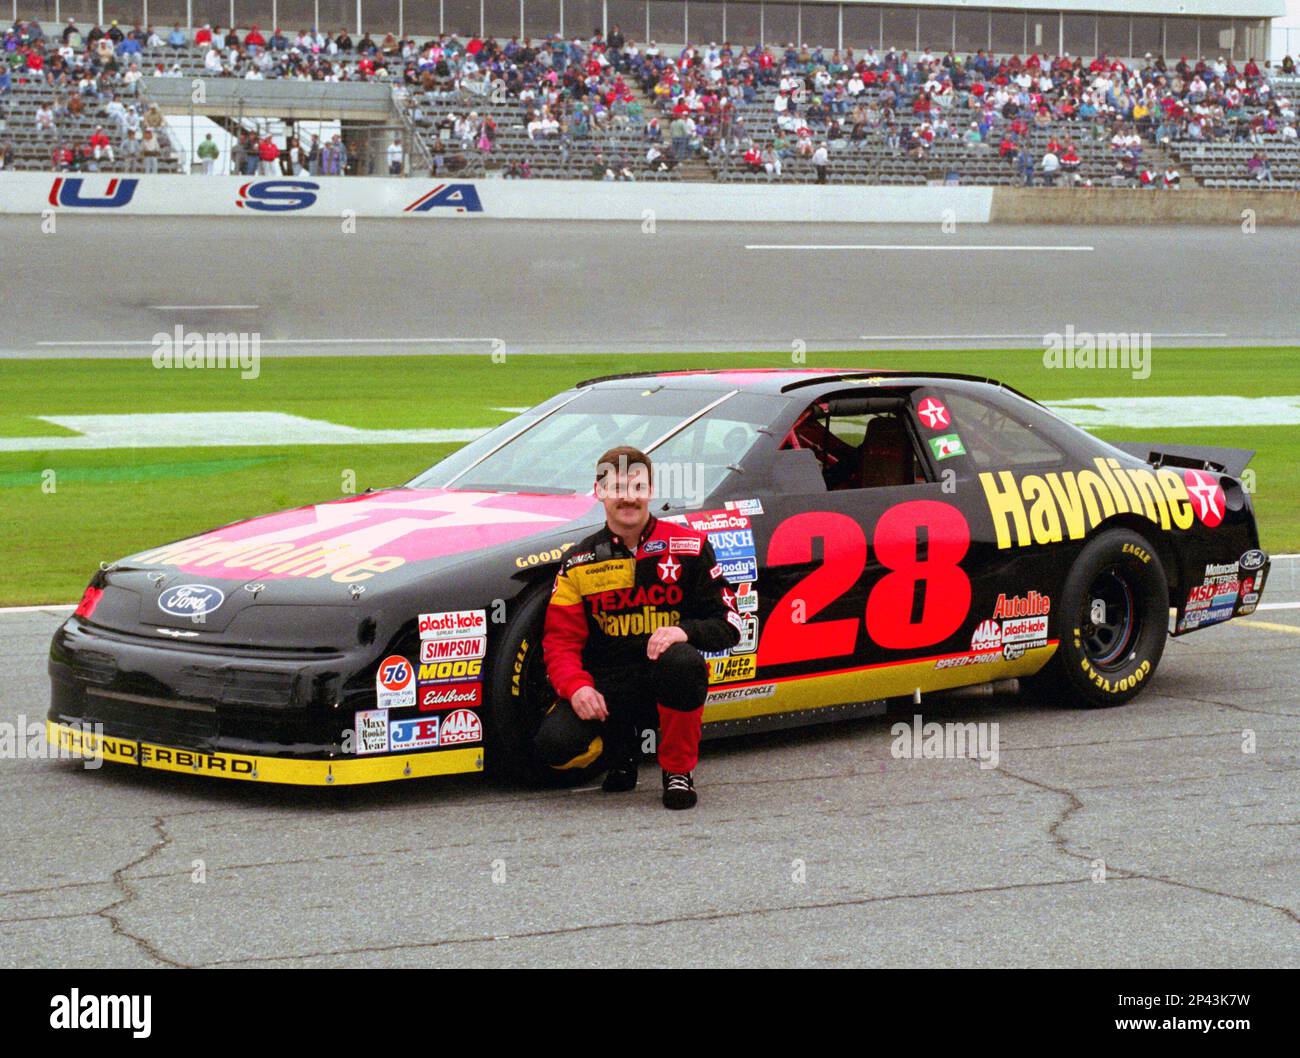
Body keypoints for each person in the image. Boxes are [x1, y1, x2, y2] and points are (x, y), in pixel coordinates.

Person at [537, 447, 741, 810]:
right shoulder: (578, 561)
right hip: (608, 688)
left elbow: (730, 625)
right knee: (555, 745)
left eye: (637, 486)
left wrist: (684, 631)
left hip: (667, 680)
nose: (628, 497)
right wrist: (577, 687)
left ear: (651, 490)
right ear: (599, 492)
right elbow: (559, 642)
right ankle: (620, 752)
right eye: (617, 487)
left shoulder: (690, 546)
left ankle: (678, 771)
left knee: (683, 661)